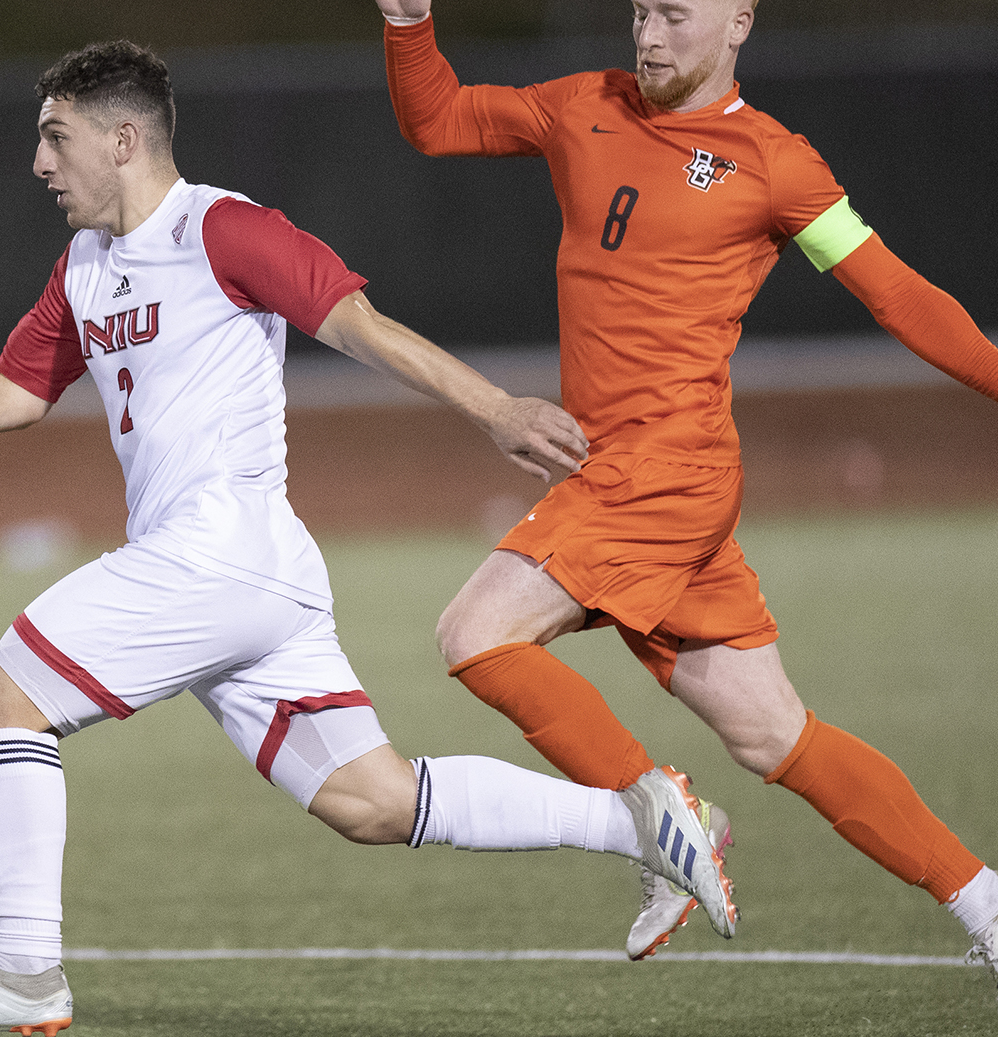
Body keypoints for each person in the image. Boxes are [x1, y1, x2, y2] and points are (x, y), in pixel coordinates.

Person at [0, 40, 737, 1037]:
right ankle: (645, 820)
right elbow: (13, 388)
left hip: (220, 548)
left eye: (56, 138)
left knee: (4, 701)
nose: (40, 163)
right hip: (254, 576)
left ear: (123, 140)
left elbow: (365, 329)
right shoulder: (85, 266)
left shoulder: (223, 229)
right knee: (371, 802)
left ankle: (27, 970)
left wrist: (495, 411)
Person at [371, 0, 998, 980]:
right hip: (624, 474)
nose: (648, 34)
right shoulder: (582, 103)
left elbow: (896, 293)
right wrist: (410, 26)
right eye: (638, 12)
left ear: (739, 21)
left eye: (673, 13)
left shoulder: (776, 164)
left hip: (662, 472)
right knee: (774, 733)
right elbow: (439, 120)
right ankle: (986, 902)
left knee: (474, 632)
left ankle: (665, 816)